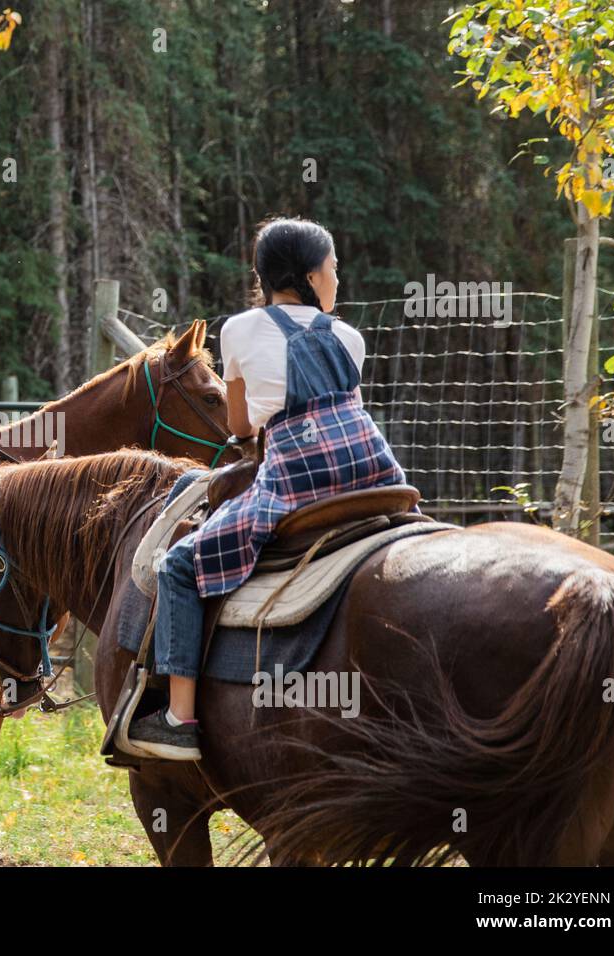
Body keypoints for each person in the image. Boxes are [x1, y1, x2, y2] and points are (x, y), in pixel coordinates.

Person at [126, 217, 413, 760]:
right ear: (308, 275)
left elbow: (238, 428)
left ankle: (178, 715)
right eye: (332, 269)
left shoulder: (237, 330)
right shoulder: (349, 339)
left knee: (179, 566)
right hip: (375, 469)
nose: (337, 279)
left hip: (298, 479)